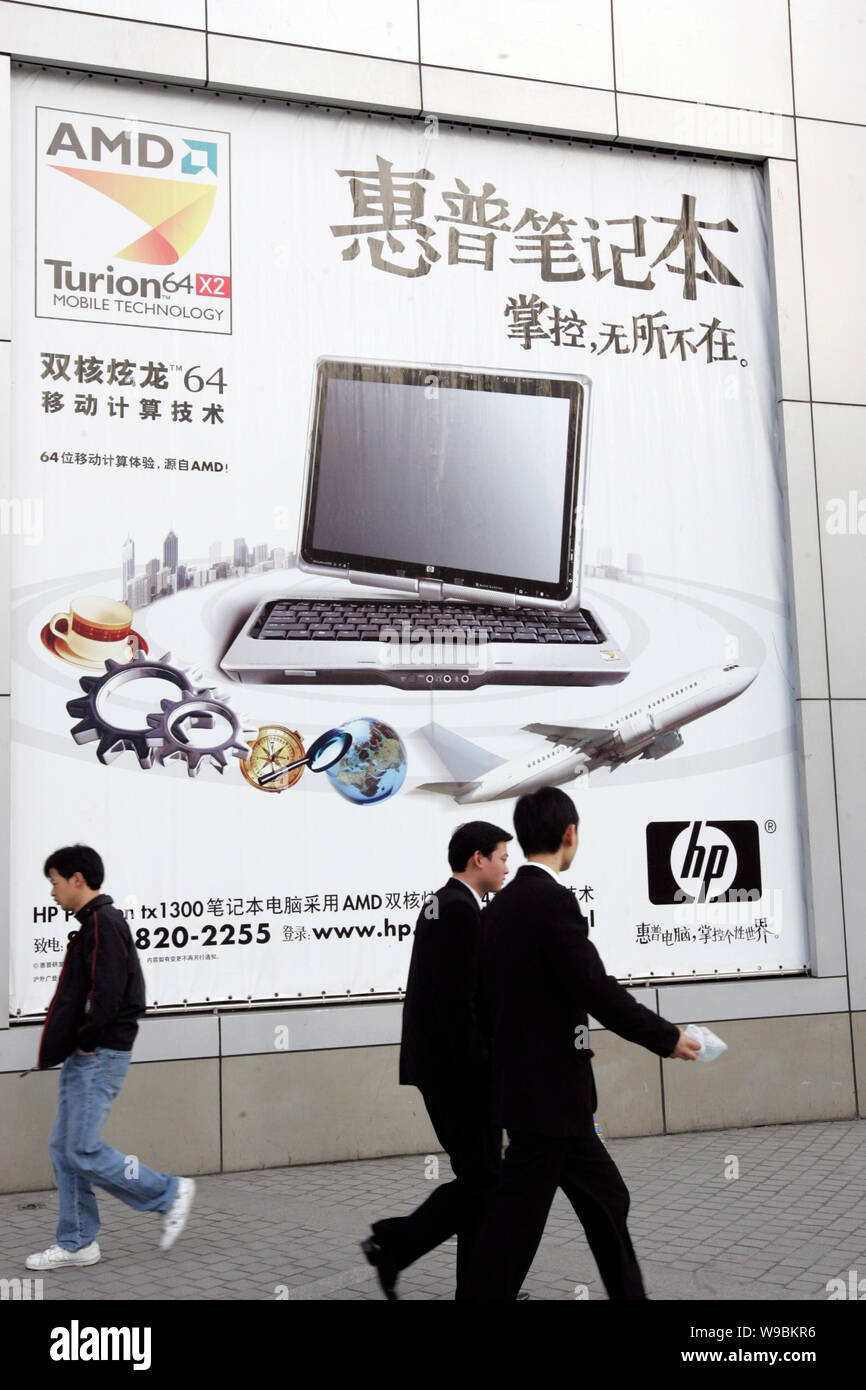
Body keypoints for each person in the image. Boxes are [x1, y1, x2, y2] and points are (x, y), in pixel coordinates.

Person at [463, 788, 701, 1301]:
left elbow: (481, 1004)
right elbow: (595, 988)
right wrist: (668, 1038)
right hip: (550, 1098)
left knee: (601, 1201)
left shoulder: (499, 906)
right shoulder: (551, 901)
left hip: (538, 1096)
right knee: (518, 1223)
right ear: (569, 834)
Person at [25, 845, 195, 1270]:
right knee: (64, 1149)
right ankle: (78, 1242)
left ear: (77, 879)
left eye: (55, 882)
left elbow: (110, 995)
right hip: (87, 1055)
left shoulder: (103, 923)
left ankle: (167, 1193)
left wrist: (85, 1040)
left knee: (80, 1149)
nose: (53, 892)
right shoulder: (93, 925)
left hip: (98, 1055)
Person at [362, 821, 512, 1300]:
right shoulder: (456, 911)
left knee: (481, 1182)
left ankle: (471, 1289)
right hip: (460, 1074)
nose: (507, 866)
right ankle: (394, 1242)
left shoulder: (446, 904)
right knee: (486, 1180)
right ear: (477, 859)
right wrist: (487, 1065)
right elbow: (456, 1004)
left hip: (450, 1070)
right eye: (502, 856)